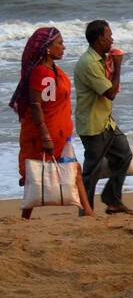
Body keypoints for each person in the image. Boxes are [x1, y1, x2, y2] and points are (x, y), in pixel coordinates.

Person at [10, 28, 92, 219]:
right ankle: (25, 217)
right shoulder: (41, 73)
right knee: (35, 175)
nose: (63, 47)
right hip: (45, 133)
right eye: (59, 43)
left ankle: (87, 212)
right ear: (47, 49)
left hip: (61, 132)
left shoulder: (54, 70)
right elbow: (36, 105)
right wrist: (45, 135)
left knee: (72, 170)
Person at [74, 20, 133, 213]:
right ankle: (85, 210)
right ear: (100, 38)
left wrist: (111, 63)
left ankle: (112, 199)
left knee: (124, 154)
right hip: (93, 124)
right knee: (92, 171)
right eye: (109, 36)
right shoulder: (89, 63)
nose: (112, 39)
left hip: (106, 122)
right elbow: (110, 92)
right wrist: (118, 65)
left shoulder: (100, 60)